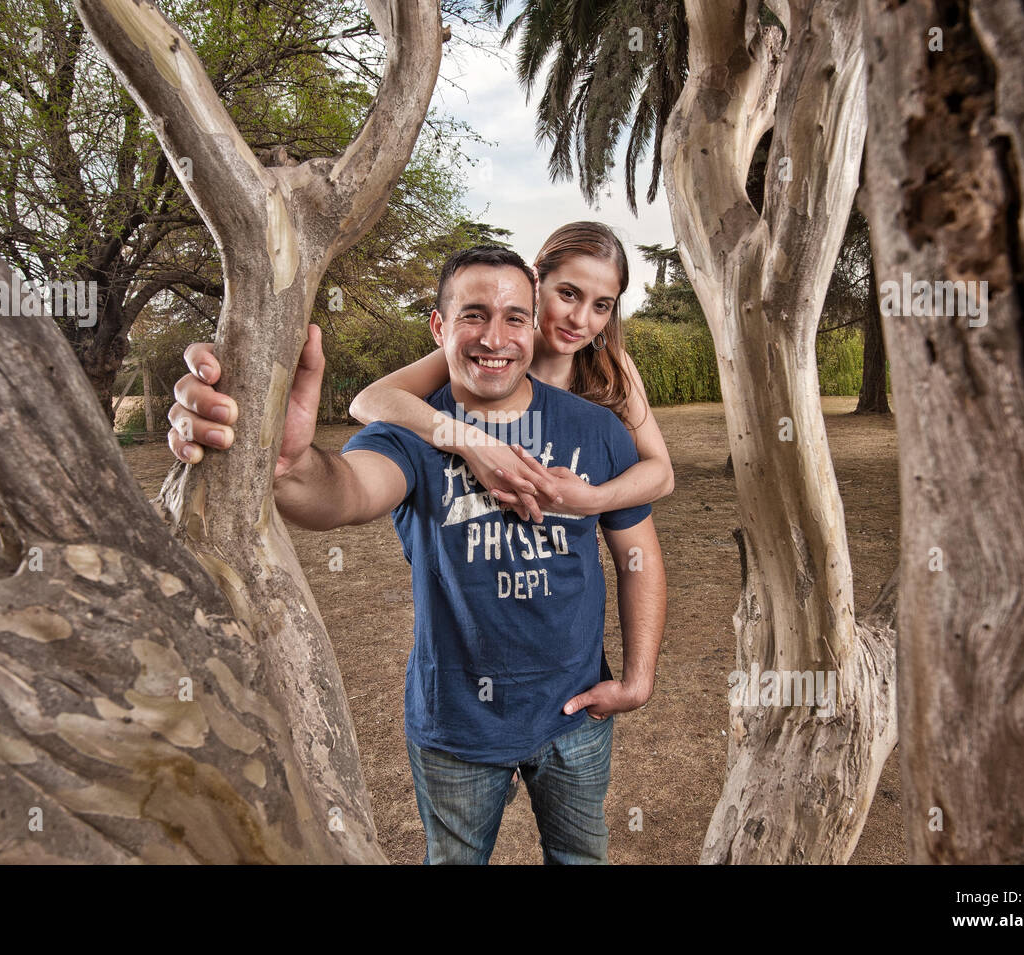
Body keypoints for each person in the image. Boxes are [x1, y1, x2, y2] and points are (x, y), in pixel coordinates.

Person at [167, 245, 666, 865]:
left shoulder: (596, 429)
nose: (495, 337)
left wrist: (638, 679)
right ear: (439, 327)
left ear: (532, 323)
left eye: (515, 318)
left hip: (574, 715)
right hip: (454, 722)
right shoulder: (412, 431)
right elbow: (347, 491)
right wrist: (291, 467)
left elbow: (637, 553)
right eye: (473, 315)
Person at [348, 220, 674, 524]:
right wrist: (471, 442)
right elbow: (369, 400)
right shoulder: (493, 351)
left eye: (601, 306)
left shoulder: (613, 367)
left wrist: (590, 501)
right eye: (568, 294)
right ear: (535, 283)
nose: (580, 319)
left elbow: (661, 474)